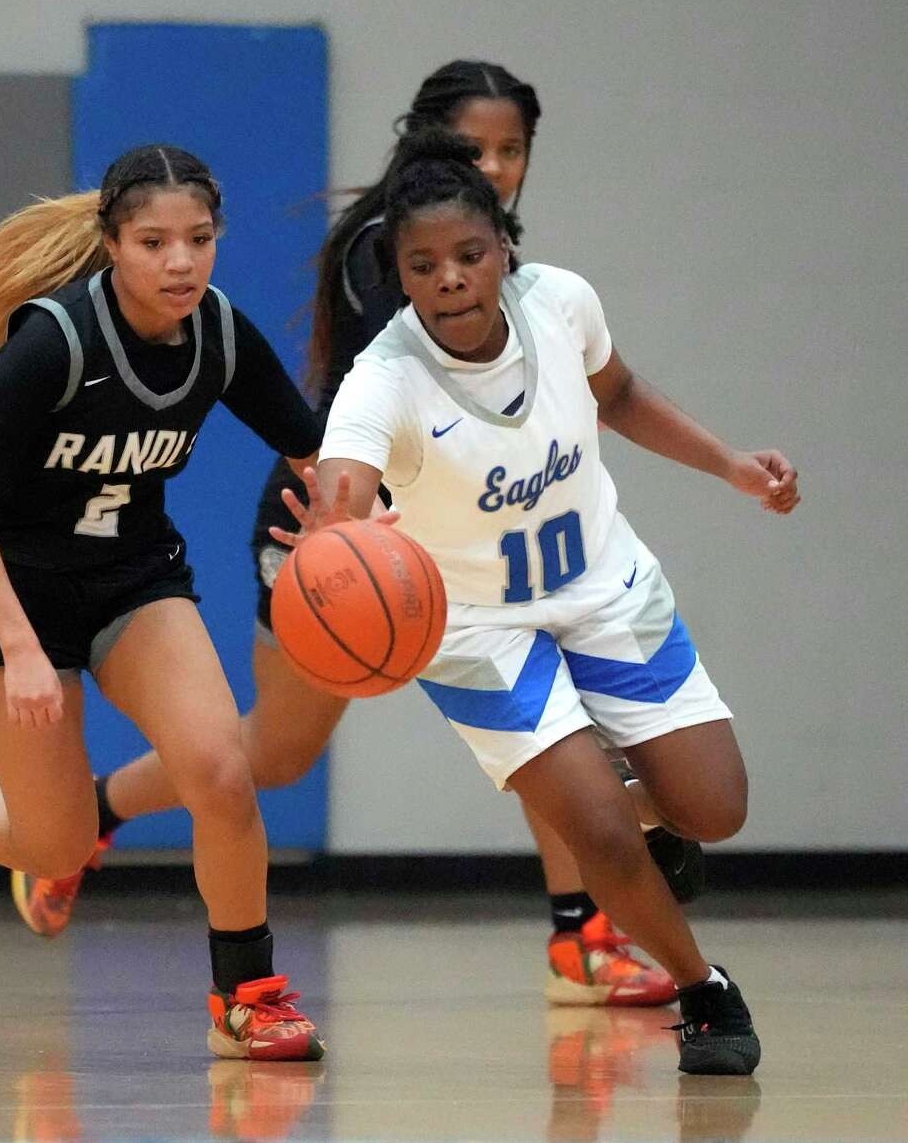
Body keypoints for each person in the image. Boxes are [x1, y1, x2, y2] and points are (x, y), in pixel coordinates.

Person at [17, 60, 690, 1012]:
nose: (495, 167)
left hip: (460, 525)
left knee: (555, 716)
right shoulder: (385, 251)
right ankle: (92, 813)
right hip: (340, 523)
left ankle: (581, 935)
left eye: (512, 150)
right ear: (429, 142)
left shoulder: (506, 264)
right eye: (475, 148)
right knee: (274, 753)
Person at [275, 126, 800, 1074]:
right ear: (400, 276)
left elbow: (620, 395)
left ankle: (643, 812)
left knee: (715, 809)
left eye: (469, 255)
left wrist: (728, 463)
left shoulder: (561, 303)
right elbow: (343, 491)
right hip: (477, 631)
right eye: (423, 265)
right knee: (595, 829)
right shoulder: (382, 380)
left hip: (604, 585)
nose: (449, 279)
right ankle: (702, 991)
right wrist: (332, 539)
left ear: (503, 250)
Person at [0, 143, 326, 1062]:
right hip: (5, 593)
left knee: (223, 772)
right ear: (113, 244)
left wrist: (357, 523)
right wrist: (22, 649)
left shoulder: (219, 333)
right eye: (154, 242)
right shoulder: (57, 344)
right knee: (55, 847)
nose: (181, 262)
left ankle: (248, 996)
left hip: (131, 576)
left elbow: (314, 452)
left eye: (199, 239)